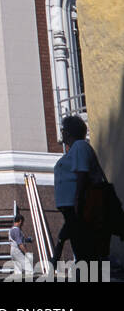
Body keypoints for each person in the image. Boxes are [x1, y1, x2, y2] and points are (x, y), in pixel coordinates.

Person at [52, 114, 111, 268]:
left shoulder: (80, 146)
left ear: (69, 132)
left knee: (84, 249)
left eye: (63, 129)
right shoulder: (74, 150)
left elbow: (82, 174)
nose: (62, 132)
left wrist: (78, 199)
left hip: (79, 206)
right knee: (81, 248)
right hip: (72, 208)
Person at [8, 211, 32, 276]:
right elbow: (20, 244)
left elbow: (16, 240)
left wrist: (27, 240)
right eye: (23, 222)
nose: (23, 224)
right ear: (20, 221)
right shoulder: (16, 230)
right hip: (17, 251)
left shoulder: (11, 230)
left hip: (12, 251)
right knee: (29, 269)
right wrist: (27, 253)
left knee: (18, 272)